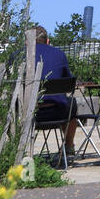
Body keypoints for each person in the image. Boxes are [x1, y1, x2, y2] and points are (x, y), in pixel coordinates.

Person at [30, 26, 78, 164]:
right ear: (48, 41)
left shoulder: (19, 55)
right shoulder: (59, 54)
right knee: (71, 104)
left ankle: (16, 149)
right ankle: (69, 146)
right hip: (57, 113)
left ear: (28, 42)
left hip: (29, 115)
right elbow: (68, 82)